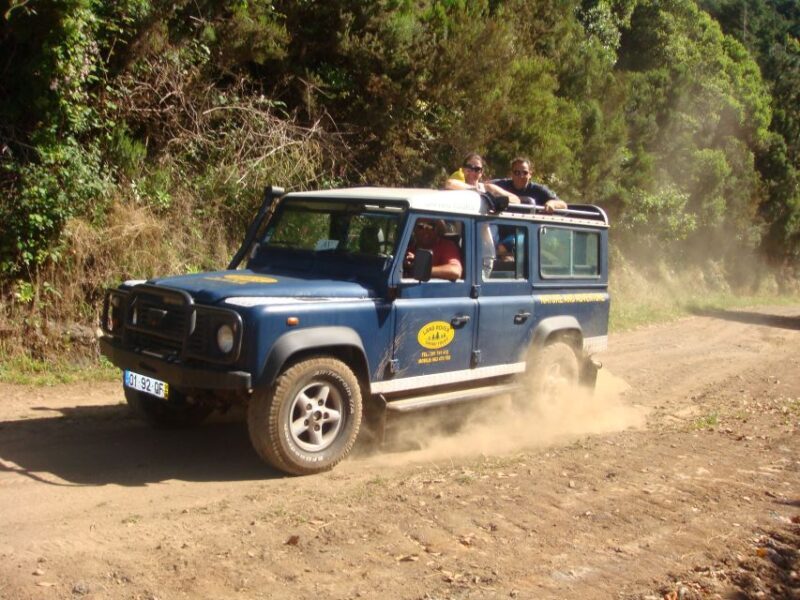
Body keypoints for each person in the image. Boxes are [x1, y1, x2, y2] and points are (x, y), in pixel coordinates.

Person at [491, 157, 567, 213]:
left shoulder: (538, 190)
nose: (521, 176)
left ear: (530, 174)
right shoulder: (502, 185)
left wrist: (552, 203)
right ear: (511, 174)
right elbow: (483, 186)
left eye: (525, 173)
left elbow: (563, 204)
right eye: (517, 172)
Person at [445, 153, 520, 203]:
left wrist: (496, 199)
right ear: (463, 169)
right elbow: (449, 183)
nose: (473, 172)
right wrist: (473, 189)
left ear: (481, 172)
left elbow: (516, 199)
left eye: (477, 169)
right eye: (470, 168)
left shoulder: (488, 188)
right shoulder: (458, 186)